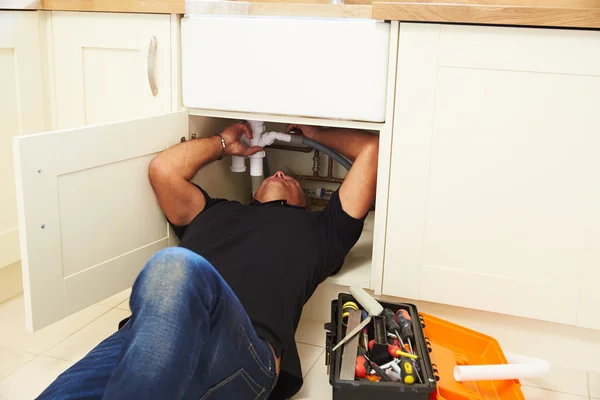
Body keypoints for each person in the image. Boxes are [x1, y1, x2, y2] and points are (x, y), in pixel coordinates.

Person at [37, 122, 379, 400]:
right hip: (140, 341)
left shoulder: (322, 230)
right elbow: (162, 170)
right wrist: (223, 142)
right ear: (254, 192)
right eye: (276, 174)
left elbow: (371, 151)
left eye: (290, 178)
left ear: (304, 201)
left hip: (242, 352)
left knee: (174, 269)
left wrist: (314, 132)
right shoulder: (215, 211)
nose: (279, 175)